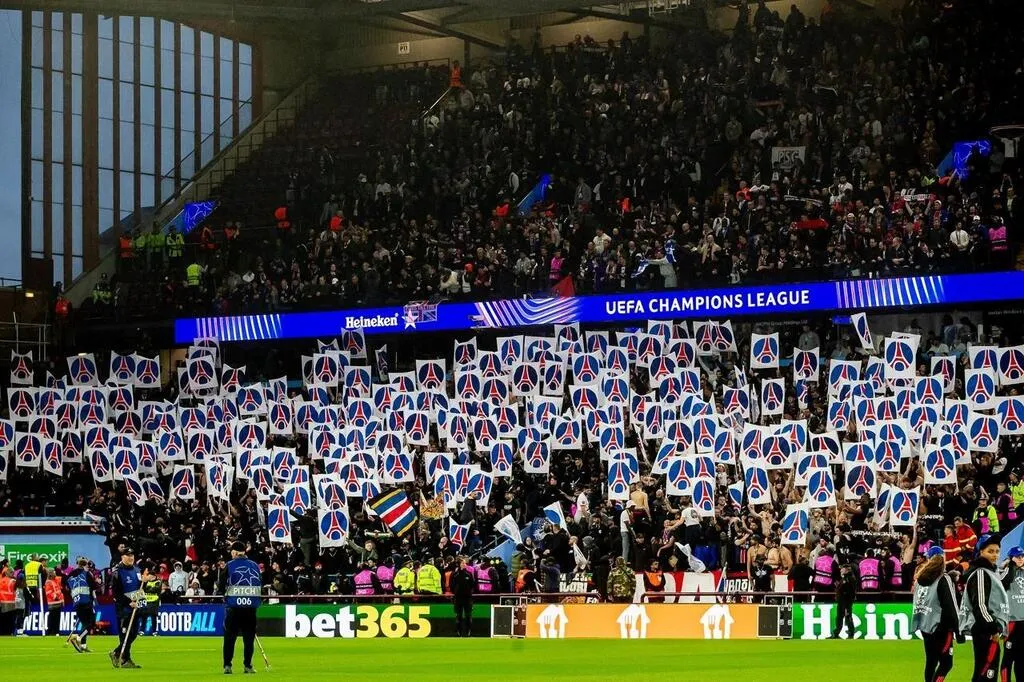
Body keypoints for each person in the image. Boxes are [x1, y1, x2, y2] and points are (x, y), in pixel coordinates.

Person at [961, 535, 1010, 682]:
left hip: (987, 630)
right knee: (985, 674)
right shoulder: (981, 572)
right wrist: (993, 629)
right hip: (985, 631)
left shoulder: (990, 571)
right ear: (981, 552)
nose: (995, 555)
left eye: (997, 551)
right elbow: (980, 605)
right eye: (991, 551)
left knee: (987, 673)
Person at [912, 546, 961, 682]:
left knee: (931, 662)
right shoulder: (943, 579)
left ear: (928, 559)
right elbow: (951, 607)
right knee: (946, 663)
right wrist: (958, 630)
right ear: (943, 558)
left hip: (925, 625)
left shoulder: (919, 579)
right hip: (941, 627)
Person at [220, 541, 261, 675]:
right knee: (248, 639)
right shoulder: (255, 566)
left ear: (235, 552)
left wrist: (225, 596)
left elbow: (221, 584)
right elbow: (260, 583)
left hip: (234, 607)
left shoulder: (230, 565)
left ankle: (227, 665)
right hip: (250, 608)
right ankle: (248, 666)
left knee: (230, 638)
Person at [109, 546, 145, 669]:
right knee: (125, 635)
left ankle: (118, 653)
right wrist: (128, 602)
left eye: (132, 555)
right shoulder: (117, 572)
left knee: (134, 633)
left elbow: (140, 587)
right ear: (122, 557)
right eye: (128, 555)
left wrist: (140, 598)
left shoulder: (137, 570)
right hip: (123, 608)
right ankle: (125, 659)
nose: (130, 558)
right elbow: (115, 592)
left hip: (136, 607)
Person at [1001, 546, 1024, 681]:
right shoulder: (1006, 571)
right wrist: (1011, 565)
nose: (1020, 559)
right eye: (1017, 556)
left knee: (1022, 659)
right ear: (1011, 558)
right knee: (1008, 657)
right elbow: (1003, 582)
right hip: (1012, 622)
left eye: (1022, 556)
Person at [67, 557, 98, 653]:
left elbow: (68, 587)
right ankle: (78, 637)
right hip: (86, 601)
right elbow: (93, 586)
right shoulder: (86, 574)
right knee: (91, 623)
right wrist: (97, 582)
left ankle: (83, 645)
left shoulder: (70, 575)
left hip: (76, 602)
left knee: (85, 624)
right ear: (85, 565)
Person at [829, 562, 857, 639]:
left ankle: (850, 633)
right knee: (840, 617)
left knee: (847, 617)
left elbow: (849, 591)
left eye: (842, 568)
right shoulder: (846, 578)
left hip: (845, 602)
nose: (841, 570)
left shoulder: (849, 579)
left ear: (847, 570)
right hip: (842, 602)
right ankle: (837, 633)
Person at [451, 557, 475, 637]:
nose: (464, 564)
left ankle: (468, 632)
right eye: (463, 563)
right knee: (459, 616)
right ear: (459, 564)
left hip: (467, 598)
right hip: (458, 598)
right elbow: (452, 586)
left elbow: (472, 585)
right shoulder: (455, 574)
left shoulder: (469, 574)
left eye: (465, 563)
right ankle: (458, 632)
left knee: (468, 615)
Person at [140, 565, 161, 636]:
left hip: (154, 602)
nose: (149, 577)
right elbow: (142, 589)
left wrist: (148, 589)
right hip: (146, 601)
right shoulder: (146, 582)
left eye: (150, 576)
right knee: (144, 616)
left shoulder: (158, 582)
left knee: (153, 617)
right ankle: (142, 630)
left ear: (154, 576)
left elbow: (154, 589)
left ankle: (154, 631)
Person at [43, 569, 64, 636]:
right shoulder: (48, 582)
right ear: (51, 573)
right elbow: (48, 592)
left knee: (57, 618)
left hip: (58, 603)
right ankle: (50, 632)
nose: (55, 573)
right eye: (54, 572)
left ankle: (57, 631)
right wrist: (55, 597)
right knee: (52, 618)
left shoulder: (55, 581)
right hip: (52, 603)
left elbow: (59, 591)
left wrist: (62, 600)